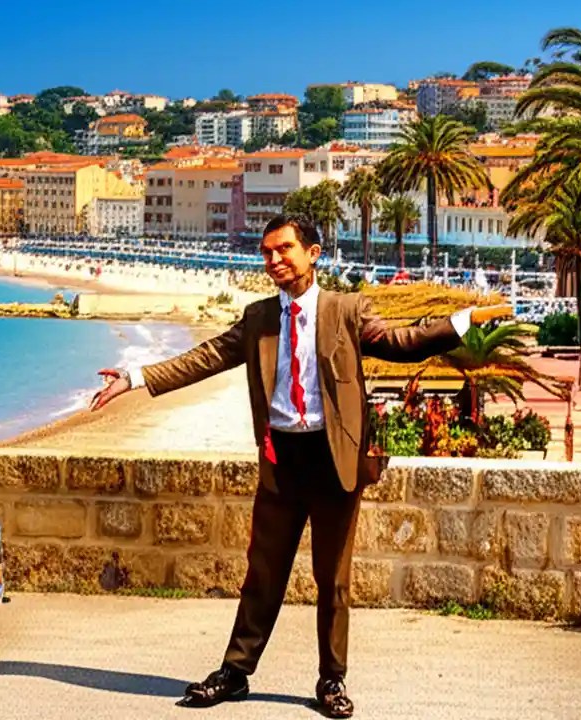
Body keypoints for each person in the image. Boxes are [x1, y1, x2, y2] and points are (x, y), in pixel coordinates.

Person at [89, 214, 511, 718]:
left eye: (284, 249)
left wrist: (461, 321)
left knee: (332, 578)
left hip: (334, 462)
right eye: (267, 252)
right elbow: (202, 358)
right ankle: (236, 671)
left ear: (313, 253)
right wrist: (134, 376)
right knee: (263, 573)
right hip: (282, 461)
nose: (274, 260)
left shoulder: (347, 311)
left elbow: (401, 343)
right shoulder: (258, 319)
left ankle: (331, 681)